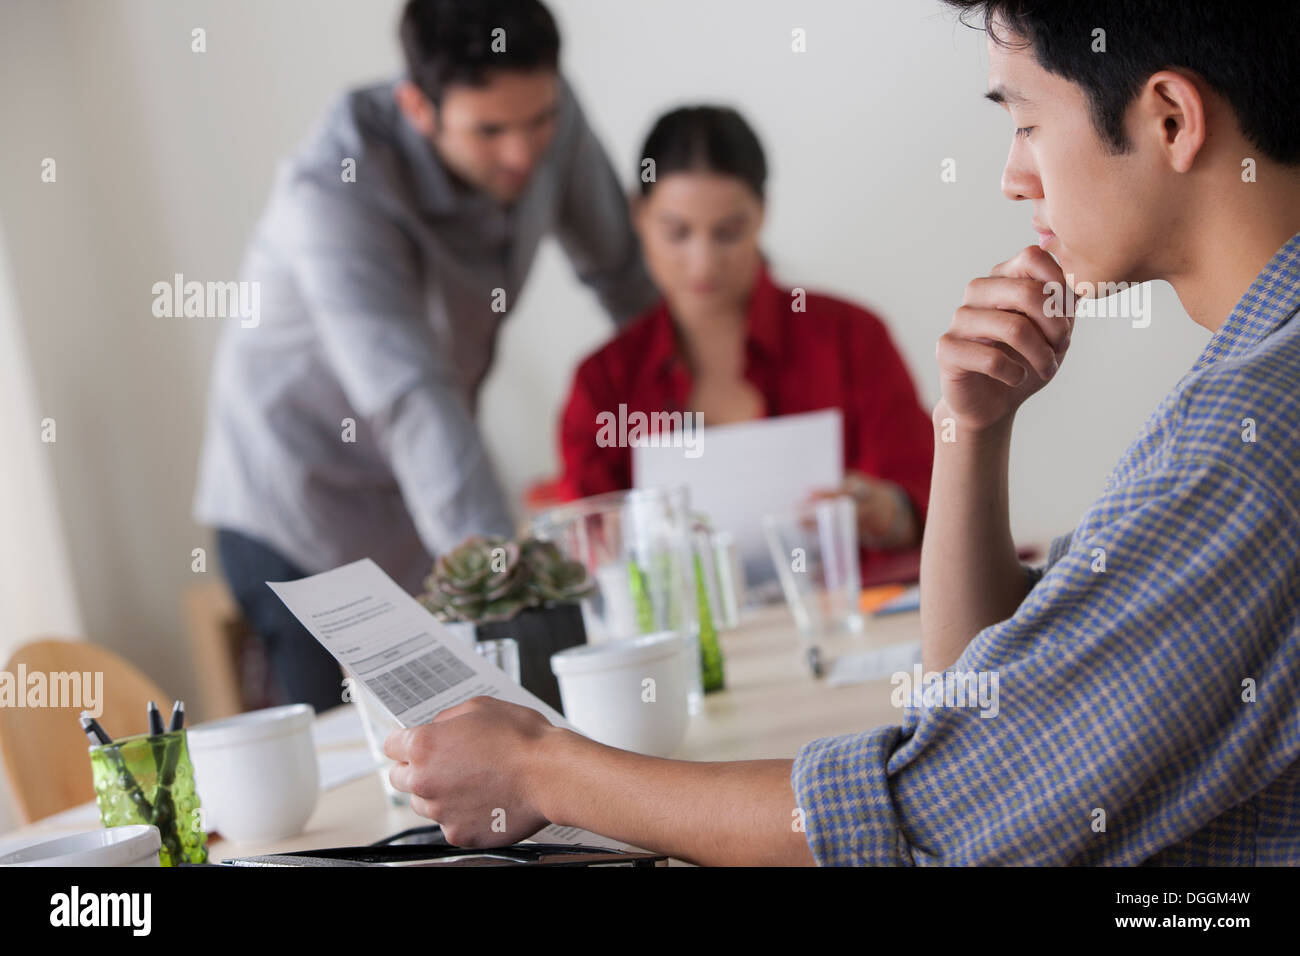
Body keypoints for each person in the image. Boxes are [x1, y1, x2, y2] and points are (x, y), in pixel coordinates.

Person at [382, 0, 1300, 865]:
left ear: (1172, 120)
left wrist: (547, 768)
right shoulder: (1242, 389)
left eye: (1023, 122)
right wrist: (972, 431)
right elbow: (978, 699)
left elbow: (936, 815)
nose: (1013, 174)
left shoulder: (1242, 444)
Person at [192, 0, 657, 715]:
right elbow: (412, 396)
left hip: (422, 503)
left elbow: (625, 278)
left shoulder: (541, 114)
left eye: (540, 121)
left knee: (479, 735)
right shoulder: (333, 188)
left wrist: (695, 427)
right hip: (302, 512)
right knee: (375, 764)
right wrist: (511, 589)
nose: (523, 154)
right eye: (490, 131)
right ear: (417, 106)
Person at [556, 106, 935, 569]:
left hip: (853, 626)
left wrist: (884, 511)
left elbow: (929, 504)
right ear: (639, 215)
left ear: (761, 214)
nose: (703, 263)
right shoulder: (602, 382)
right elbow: (592, 545)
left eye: (728, 233)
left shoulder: (851, 338)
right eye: (676, 233)